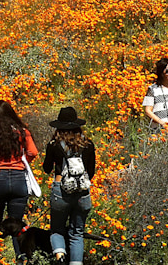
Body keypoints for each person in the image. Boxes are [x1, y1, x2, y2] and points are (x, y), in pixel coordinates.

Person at [0, 100, 38, 260]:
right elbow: (33, 152)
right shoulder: (22, 133)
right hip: (19, 180)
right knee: (17, 225)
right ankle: (22, 259)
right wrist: (22, 162)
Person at [42, 107, 96, 265]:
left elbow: (46, 168)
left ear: (59, 127)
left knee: (57, 229)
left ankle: (60, 256)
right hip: (82, 192)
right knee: (77, 233)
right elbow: (90, 172)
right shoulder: (88, 144)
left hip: (60, 191)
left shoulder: (54, 145)